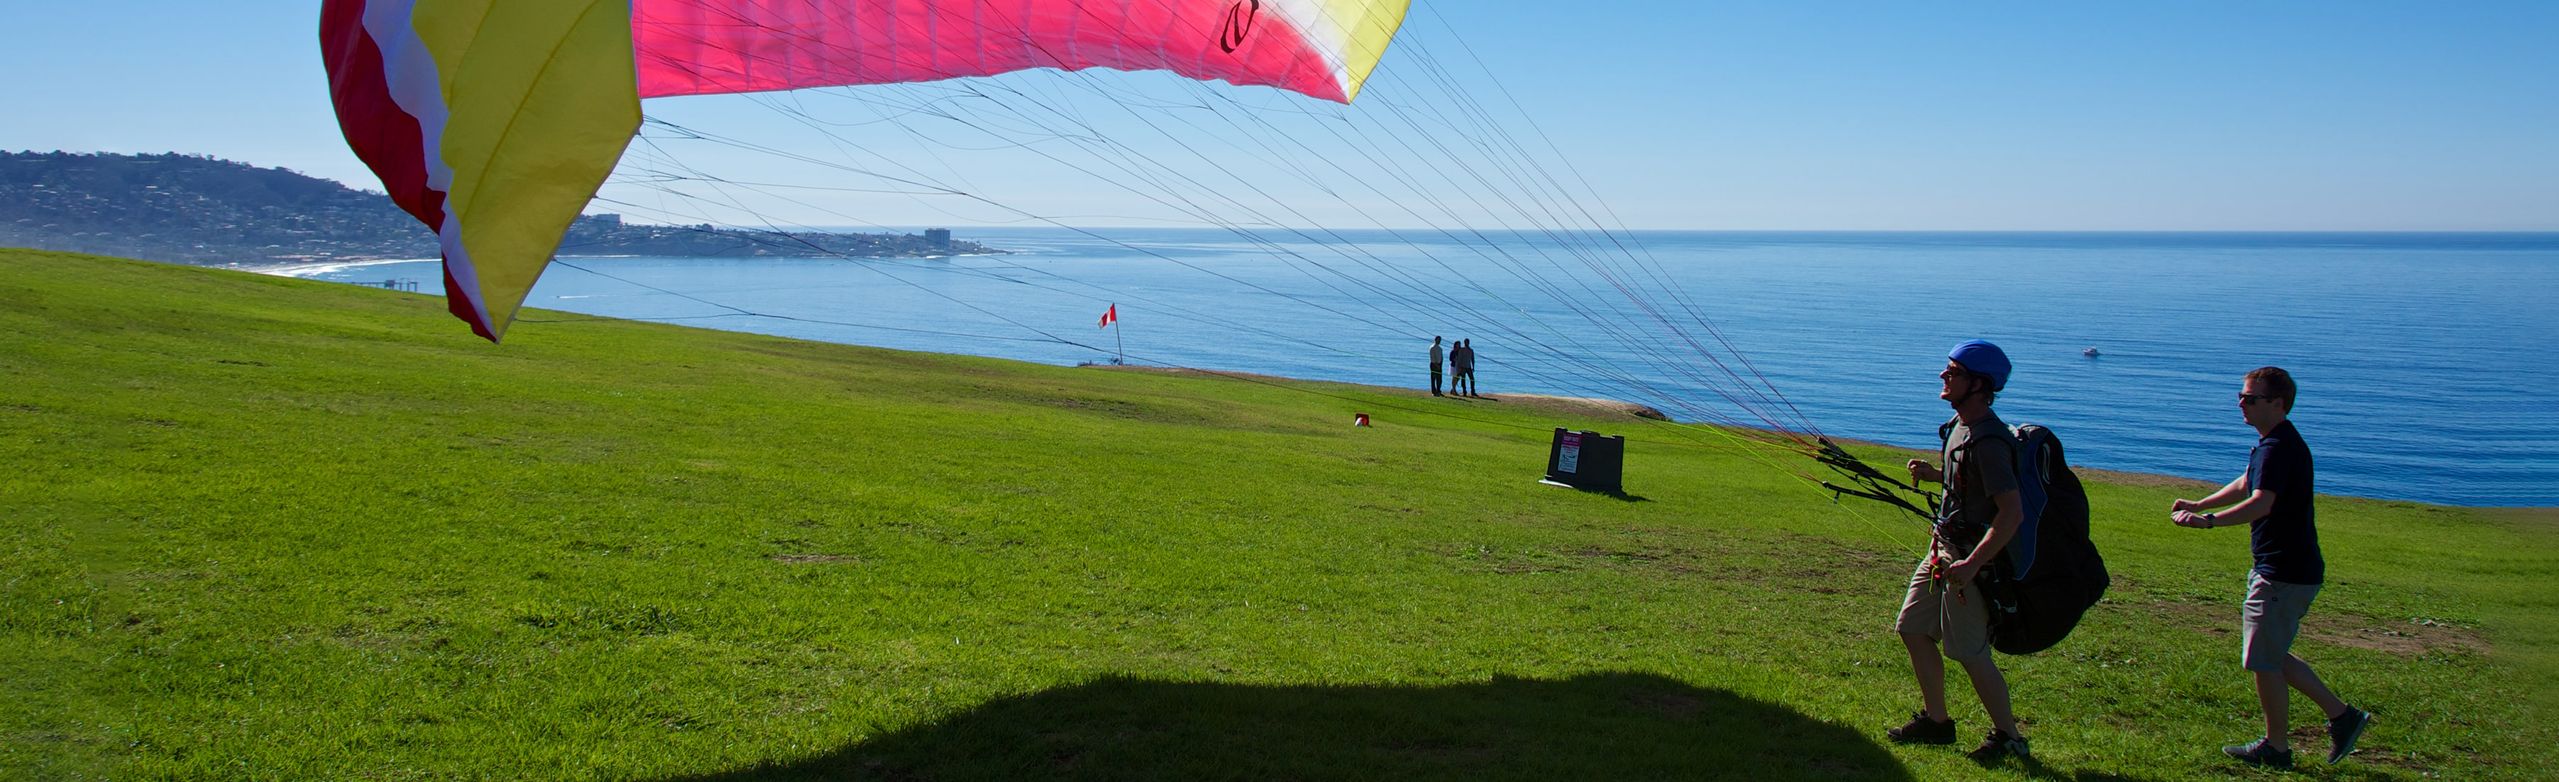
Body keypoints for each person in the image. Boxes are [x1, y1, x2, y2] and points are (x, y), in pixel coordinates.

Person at [2170, 366, 2371, 768]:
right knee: (2270, 654)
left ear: (2277, 404)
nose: (2241, 404)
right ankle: (2342, 717)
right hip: (2285, 569)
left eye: (2250, 398)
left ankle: (2278, 747)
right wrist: (2201, 503)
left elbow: (2262, 502)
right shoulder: (2274, 444)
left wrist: (2208, 522)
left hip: (2283, 572)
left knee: (2263, 660)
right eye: (2241, 396)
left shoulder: (2279, 447)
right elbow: (2247, 482)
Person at [1888, 340, 2031, 762]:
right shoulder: (1958, 426)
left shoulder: (1989, 441)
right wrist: (1935, 474)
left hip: (1972, 563)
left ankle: (2010, 738)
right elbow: (1969, 487)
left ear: (1979, 385)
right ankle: (1937, 722)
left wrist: (1972, 564)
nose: (1943, 376)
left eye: (1953, 372)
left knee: (1969, 652)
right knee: (1912, 629)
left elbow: (2011, 513)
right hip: (1942, 550)